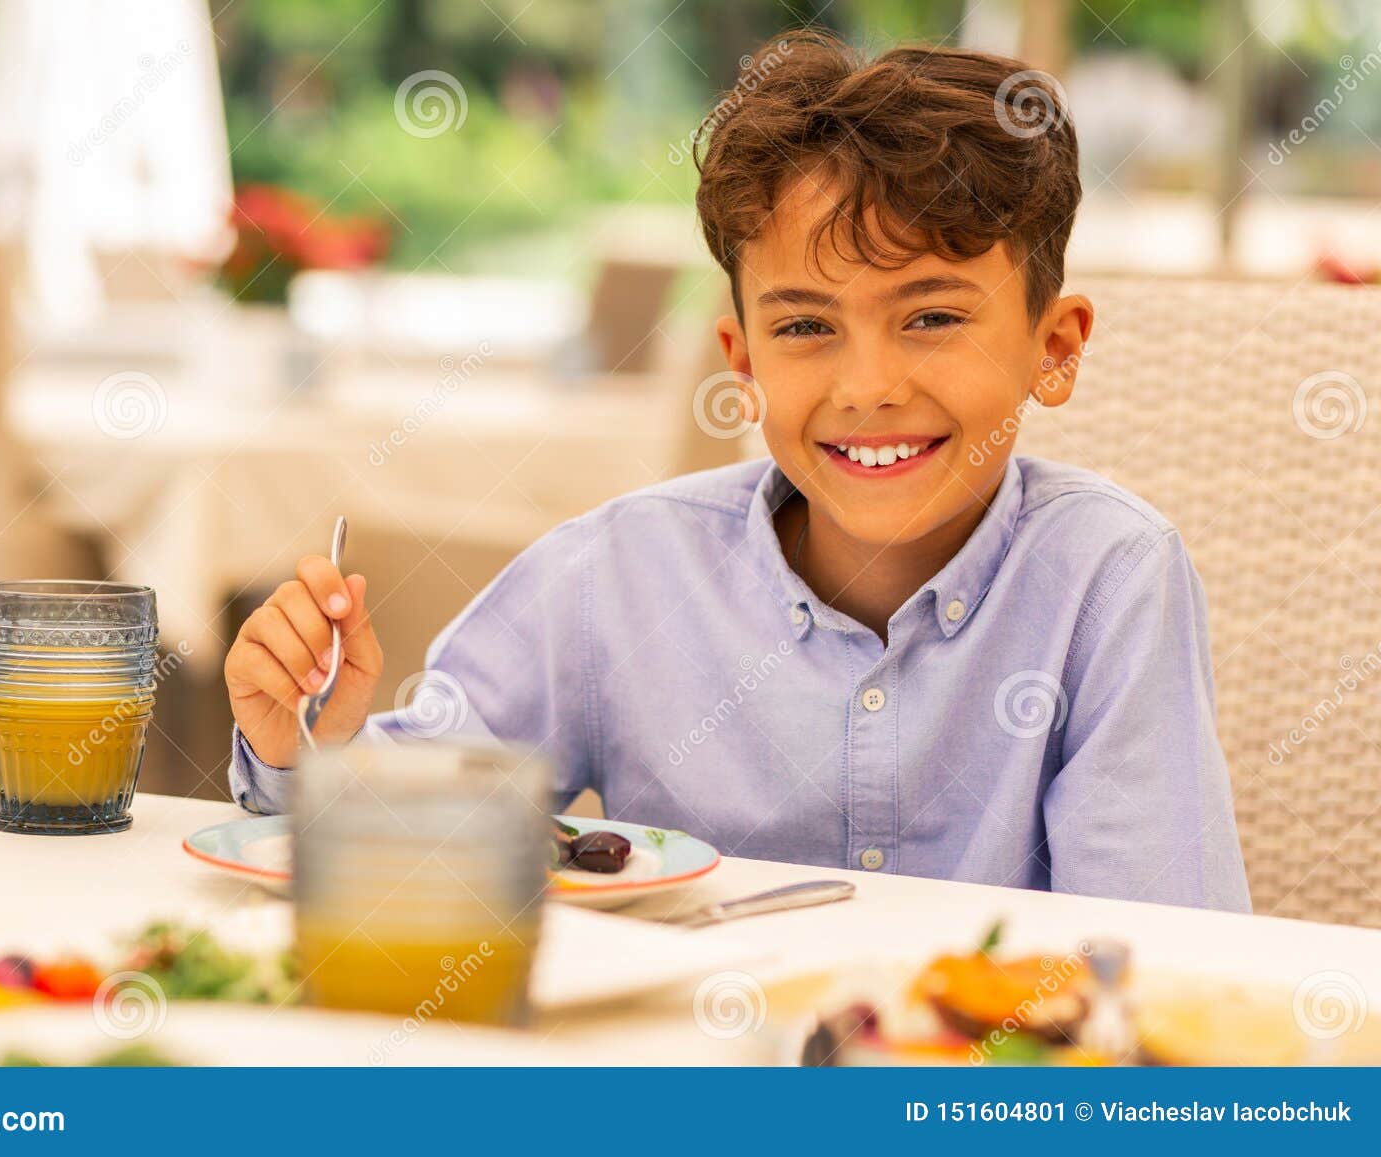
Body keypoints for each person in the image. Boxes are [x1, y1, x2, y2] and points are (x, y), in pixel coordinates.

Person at [222, 30, 1251, 912]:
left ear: (1054, 348)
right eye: (806, 325)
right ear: (744, 360)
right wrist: (300, 748)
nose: (868, 385)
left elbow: (1169, 960)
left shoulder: (1110, 580)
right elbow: (395, 842)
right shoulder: (617, 573)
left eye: (931, 317)